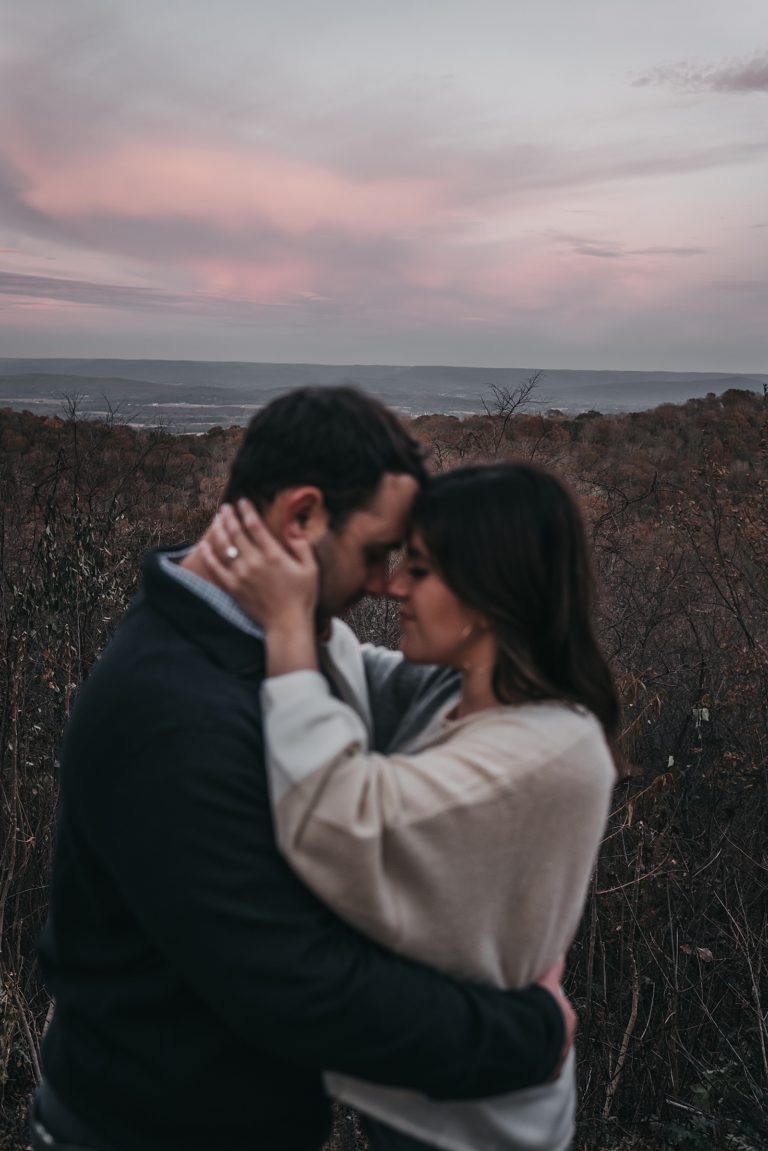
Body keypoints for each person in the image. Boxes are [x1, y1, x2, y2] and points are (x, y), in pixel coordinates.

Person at [34, 389, 572, 1151]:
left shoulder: (266, 651)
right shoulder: (170, 706)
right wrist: (529, 1031)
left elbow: (409, 685)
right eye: (377, 552)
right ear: (301, 518)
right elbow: (299, 986)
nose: (388, 583)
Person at [197, 461, 620, 1151]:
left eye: (417, 570)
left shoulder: (553, 751)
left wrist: (285, 625)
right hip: (418, 1087)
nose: (392, 585)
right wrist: (296, 577)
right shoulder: (451, 693)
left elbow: (339, 815)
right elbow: (346, 669)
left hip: (479, 1124)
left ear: (488, 593)